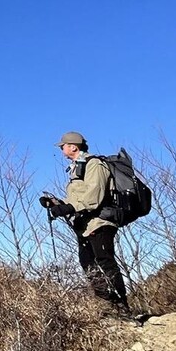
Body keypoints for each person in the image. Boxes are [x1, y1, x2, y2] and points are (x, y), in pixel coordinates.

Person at [43, 132, 129, 308]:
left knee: (104, 260)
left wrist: (69, 208)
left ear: (73, 146)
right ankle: (106, 304)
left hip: (100, 222)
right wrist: (56, 203)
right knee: (88, 263)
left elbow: (94, 195)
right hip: (85, 225)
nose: (62, 149)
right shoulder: (77, 167)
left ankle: (121, 305)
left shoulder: (94, 164)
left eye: (63, 146)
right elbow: (77, 198)